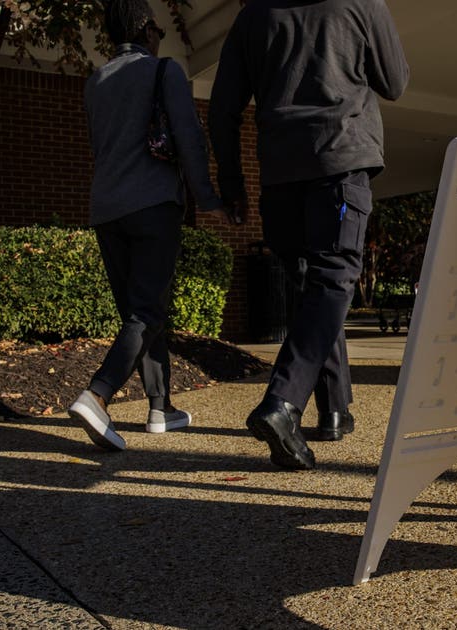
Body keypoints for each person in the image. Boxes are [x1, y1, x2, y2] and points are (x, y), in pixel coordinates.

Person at [209, 0, 409, 469]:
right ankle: (282, 402)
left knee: (312, 287)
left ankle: (334, 408)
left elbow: (222, 109)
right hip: (338, 160)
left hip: (279, 176)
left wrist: (233, 185)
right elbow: (395, 82)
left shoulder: (253, 15)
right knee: (332, 281)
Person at [68, 0, 226, 451]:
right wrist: (209, 198)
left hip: (106, 209)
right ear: (145, 30)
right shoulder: (165, 72)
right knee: (148, 311)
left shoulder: (95, 82)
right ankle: (97, 394)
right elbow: (190, 141)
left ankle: (160, 407)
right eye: (157, 28)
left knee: (140, 312)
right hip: (153, 204)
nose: (160, 36)